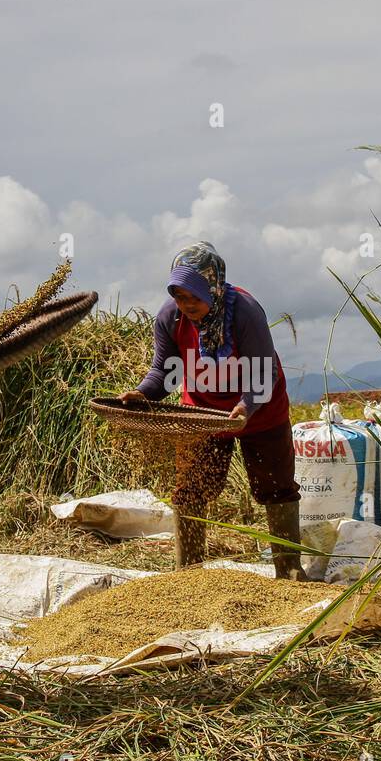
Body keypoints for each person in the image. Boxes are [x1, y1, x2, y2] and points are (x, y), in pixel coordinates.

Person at [119, 241, 305, 579]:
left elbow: (265, 372)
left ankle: (290, 572)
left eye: (194, 296)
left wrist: (247, 406)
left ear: (214, 286)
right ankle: (188, 574)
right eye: (179, 296)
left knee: (276, 488)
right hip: (202, 416)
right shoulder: (170, 318)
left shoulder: (245, 312)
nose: (186, 304)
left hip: (259, 413)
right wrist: (143, 394)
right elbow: (165, 370)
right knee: (191, 489)